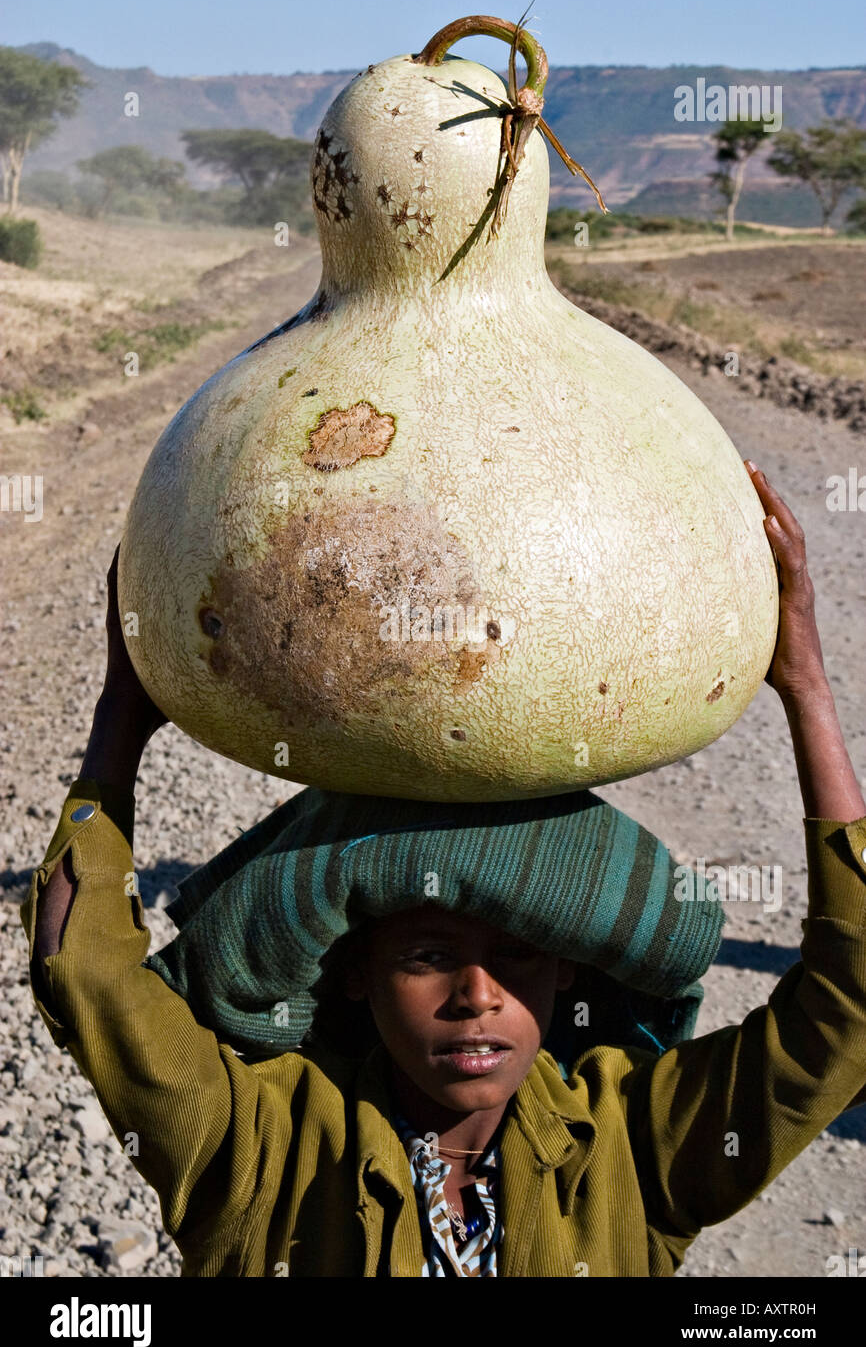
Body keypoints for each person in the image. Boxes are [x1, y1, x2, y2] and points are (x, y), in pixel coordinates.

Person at [21, 462, 866, 1277]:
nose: (478, 995)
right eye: (426, 956)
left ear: (564, 967)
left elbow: (849, 1008)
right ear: (356, 973)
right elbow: (85, 968)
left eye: (519, 956)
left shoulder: (634, 1150)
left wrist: (806, 686)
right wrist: (122, 713)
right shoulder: (260, 1148)